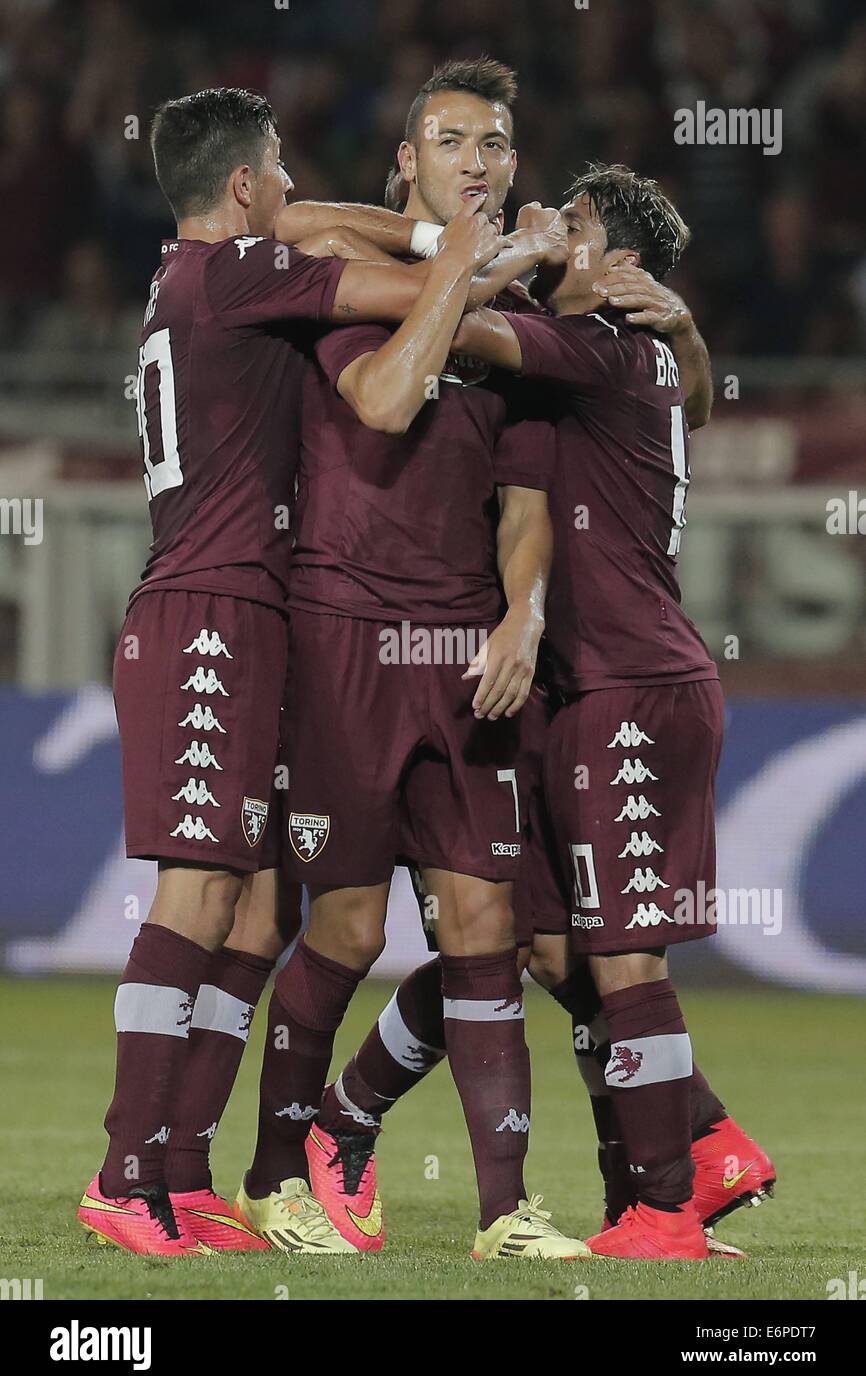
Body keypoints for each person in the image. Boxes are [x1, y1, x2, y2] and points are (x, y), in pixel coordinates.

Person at [77, 84, 516, 1258]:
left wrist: (433, 236)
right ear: (239, 189)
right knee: (196, 893)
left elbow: (323, 224)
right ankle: (124, 1174)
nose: (290, 189)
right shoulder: (238, 277)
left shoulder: (199, 278)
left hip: (245, 614)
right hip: (208, 614)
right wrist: (471, 261)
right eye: (274, 169)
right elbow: (383, 293)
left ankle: (181, 1171)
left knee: (253, 900)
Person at [309, 163, 775, 1261]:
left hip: (621, 688)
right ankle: (684, 1154)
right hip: (578, 691)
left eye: (569, 224)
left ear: (613, 268)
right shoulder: (646, 357)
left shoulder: (593, 355)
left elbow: (452, 330)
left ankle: (665, 1203)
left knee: (620, 958)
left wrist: (466, 249)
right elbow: (692, 397)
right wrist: (686, 329)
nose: (544, 227)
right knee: (540, 944)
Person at [235, 58, 593, 1261]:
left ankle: (505, 1211)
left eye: (493, 142)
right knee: (340, 930)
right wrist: (456, 259)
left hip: (467, 655)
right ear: (410, 165)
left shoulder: (526, 333)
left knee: (483, 923)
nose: (478, 159)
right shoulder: (348, 288)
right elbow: (386, 400)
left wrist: (523, 617)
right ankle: (277, 1176)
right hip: (342, 637)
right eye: (450, 141)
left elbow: (528, 505)